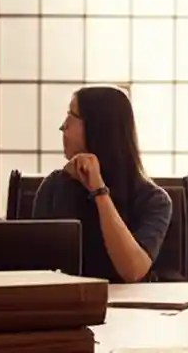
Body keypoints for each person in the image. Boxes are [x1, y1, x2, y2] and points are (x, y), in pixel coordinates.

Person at [32, 85, 172, 283]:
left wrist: (99, 191)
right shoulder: (55, 186)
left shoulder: (153, 200)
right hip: (67, 299)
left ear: (98, 127)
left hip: (130, 302)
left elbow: (132, 271)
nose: (63, 126)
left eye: (71, 116)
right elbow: (36, 269)